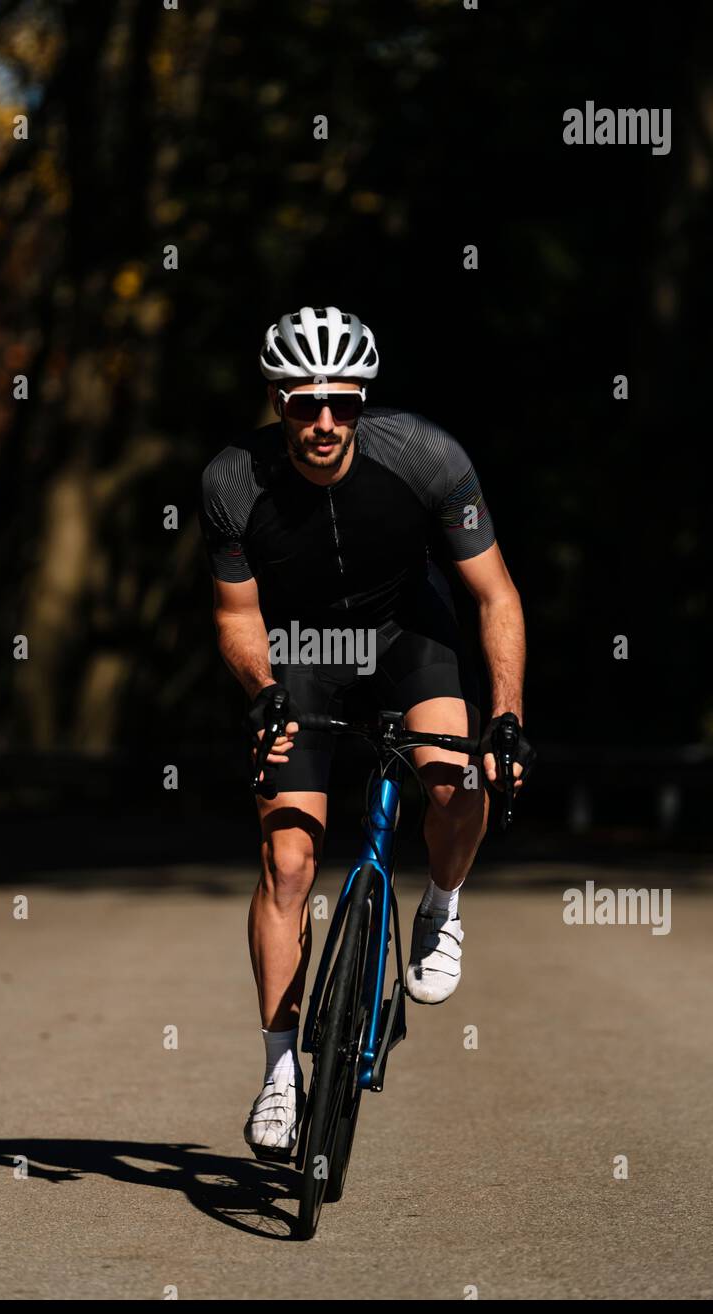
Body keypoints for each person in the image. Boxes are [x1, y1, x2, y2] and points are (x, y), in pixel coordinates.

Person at [199, 306, 532, 1159]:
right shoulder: (233, 481)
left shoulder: (426, 456)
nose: (323, 422)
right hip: (300, 651)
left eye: (341, 403)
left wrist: (506, 718)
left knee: (459, 783)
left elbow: (494, 597)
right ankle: (280, 1071)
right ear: (277, 400)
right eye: (304, 402)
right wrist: (265, 692)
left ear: (361, 401)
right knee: (288, 859)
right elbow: (237, 615)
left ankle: (443, 907)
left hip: (407, 636)